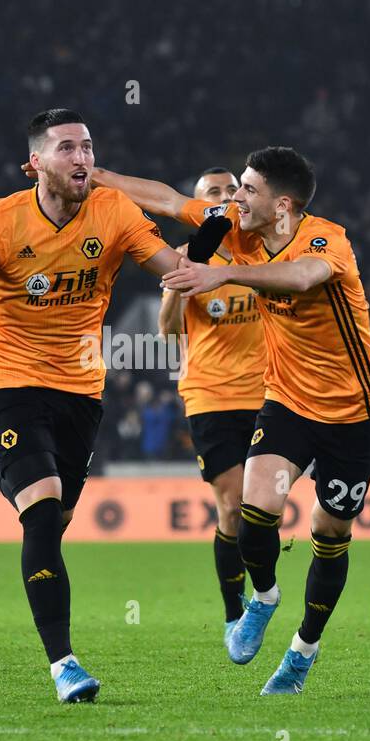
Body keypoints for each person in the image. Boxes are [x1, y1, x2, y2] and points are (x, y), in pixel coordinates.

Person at [91, 147, 370, 695]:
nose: (234, 198)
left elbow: (300, 277)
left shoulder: (326, 238)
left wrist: (221, 276)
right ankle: (264, 597)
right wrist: (95, 176)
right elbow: (168, 200)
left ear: (283, 205)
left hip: (351, 411)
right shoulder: (237, 226)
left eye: (247, 189)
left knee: (329, 530)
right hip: (287, 401)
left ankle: (303, 650)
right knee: (254, 506)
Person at [0, 109, 182, 703]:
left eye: (87, 146)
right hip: (9, 379)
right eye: (66, 148)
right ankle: (64, 665)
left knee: (52, 525)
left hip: (82, 387)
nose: (82, 157)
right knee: (40, 512)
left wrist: (220, 244)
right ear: (35, 162)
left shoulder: (114, 212)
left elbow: (176, 271)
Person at [157, 167, 266, 638]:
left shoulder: (260, 252)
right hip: (211, 394)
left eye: (231, 189)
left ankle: (261, 587)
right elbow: (167, 331)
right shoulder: (184, 258)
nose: (225, 197)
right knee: (233, 505)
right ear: (198, 210)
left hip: (269, 392)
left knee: (263, 508)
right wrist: (179, 286)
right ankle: (234, 612)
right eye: (213, 193)